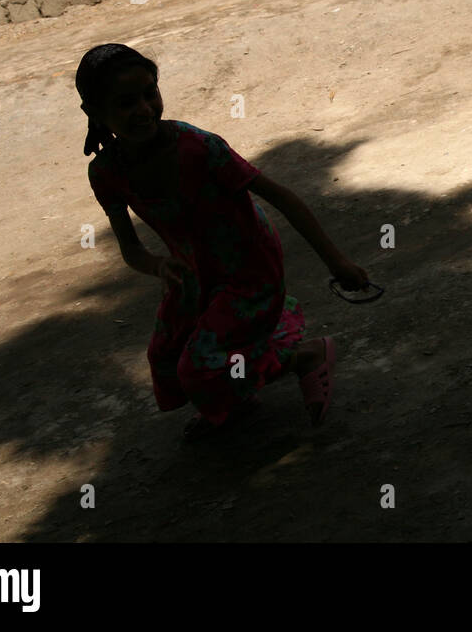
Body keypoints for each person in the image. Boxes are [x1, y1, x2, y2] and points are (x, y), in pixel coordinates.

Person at [76, 43, 369, 440]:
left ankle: (306, 356)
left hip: (248, 268)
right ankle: (233, 397)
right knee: (165, 357)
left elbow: (280, 196)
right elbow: (131, 250)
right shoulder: (106, 173)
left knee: (198, 366)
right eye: (126, 103)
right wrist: (159, 266)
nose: (143, 109)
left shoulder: (199, 148)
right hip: (194, 272)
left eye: (150, 94)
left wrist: (337, 262)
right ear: (95, 112)